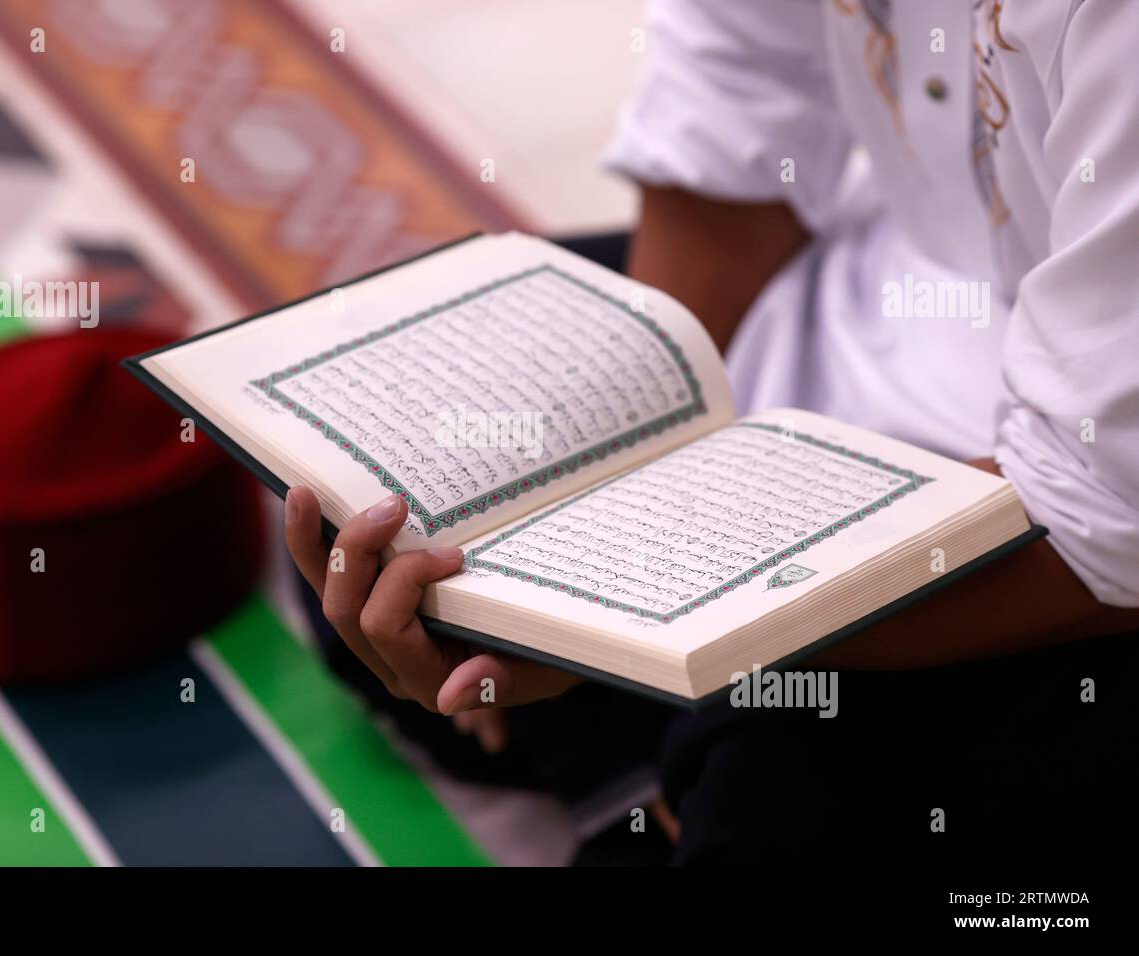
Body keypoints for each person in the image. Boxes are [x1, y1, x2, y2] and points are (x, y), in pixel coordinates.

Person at [285, 0, 1139, 863]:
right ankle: (650, 762)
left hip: (1052, 558)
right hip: (870, 317)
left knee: (768, 796)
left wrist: (633, 630)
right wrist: (584, 489)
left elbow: (1100, 515)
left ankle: (651, 757)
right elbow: (733, 123)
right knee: (374, 496)